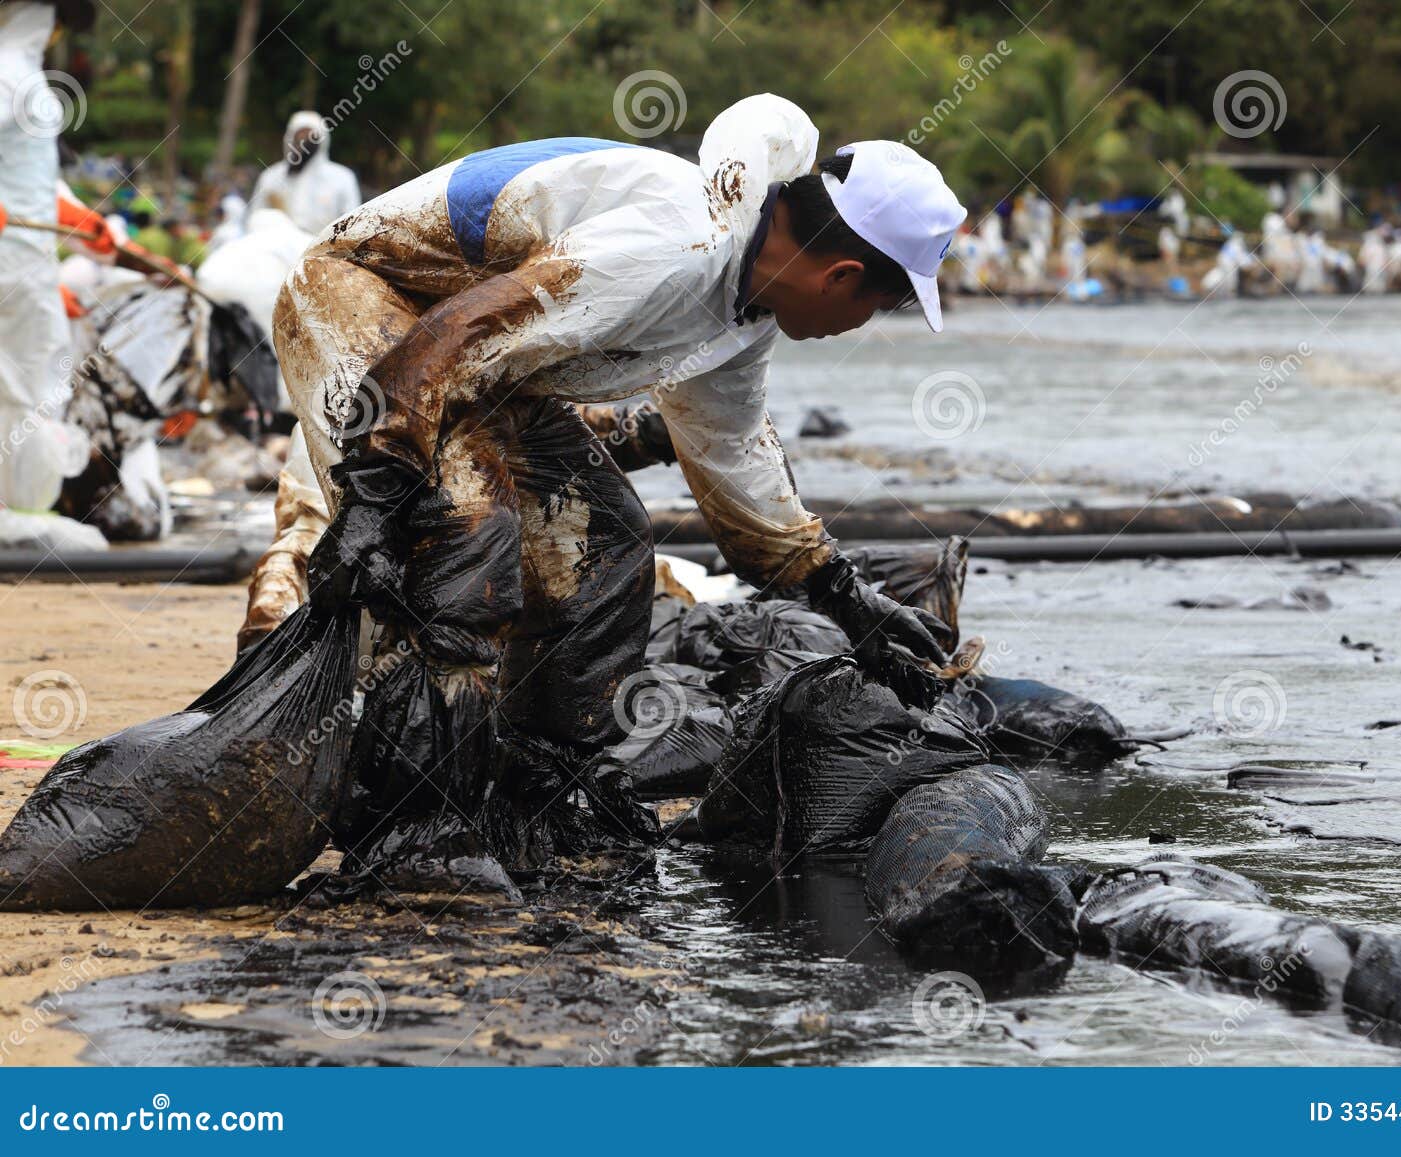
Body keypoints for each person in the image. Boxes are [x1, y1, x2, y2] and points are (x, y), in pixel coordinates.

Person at [242, 95, 965, 881]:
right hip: (368, 303)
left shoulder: (741, 311)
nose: (863, 324)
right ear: (843, 274)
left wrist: (845, 597)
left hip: (475, 363)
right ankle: (409, 821)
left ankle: (533, 784)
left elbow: (734, 461)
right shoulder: (674, 248)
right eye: (880, 307)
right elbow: (447, 339)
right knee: (463, 533)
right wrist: (376, 497)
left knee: (609, 544)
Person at [0, 0, 99, 548]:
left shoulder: (25, 77)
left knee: (24, 377)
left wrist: (85, 221)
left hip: (26, 253)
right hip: (13, 260)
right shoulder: (11, 71)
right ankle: (21, 510)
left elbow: (30, 183)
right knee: (35, 378)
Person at [249, 110, 362, 235]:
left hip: (324, 251)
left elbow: (352, 225)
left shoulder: (342, 178)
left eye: (309, 136)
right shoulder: (271, 176)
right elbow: (255, 217)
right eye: (299, 136)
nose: (304, 141)